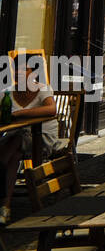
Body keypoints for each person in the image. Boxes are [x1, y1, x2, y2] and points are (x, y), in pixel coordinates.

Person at [0, 55, 57, 224]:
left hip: (42, 139)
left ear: (33, 72)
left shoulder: (43, 89)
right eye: (16, 69)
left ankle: (0, 166)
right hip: (15, 140)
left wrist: (19, 114)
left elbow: (51, 109)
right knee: (15, 155)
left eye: (25, 69)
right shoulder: (8, 92)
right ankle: (5, 207)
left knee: (14, 144)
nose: (19, 72)